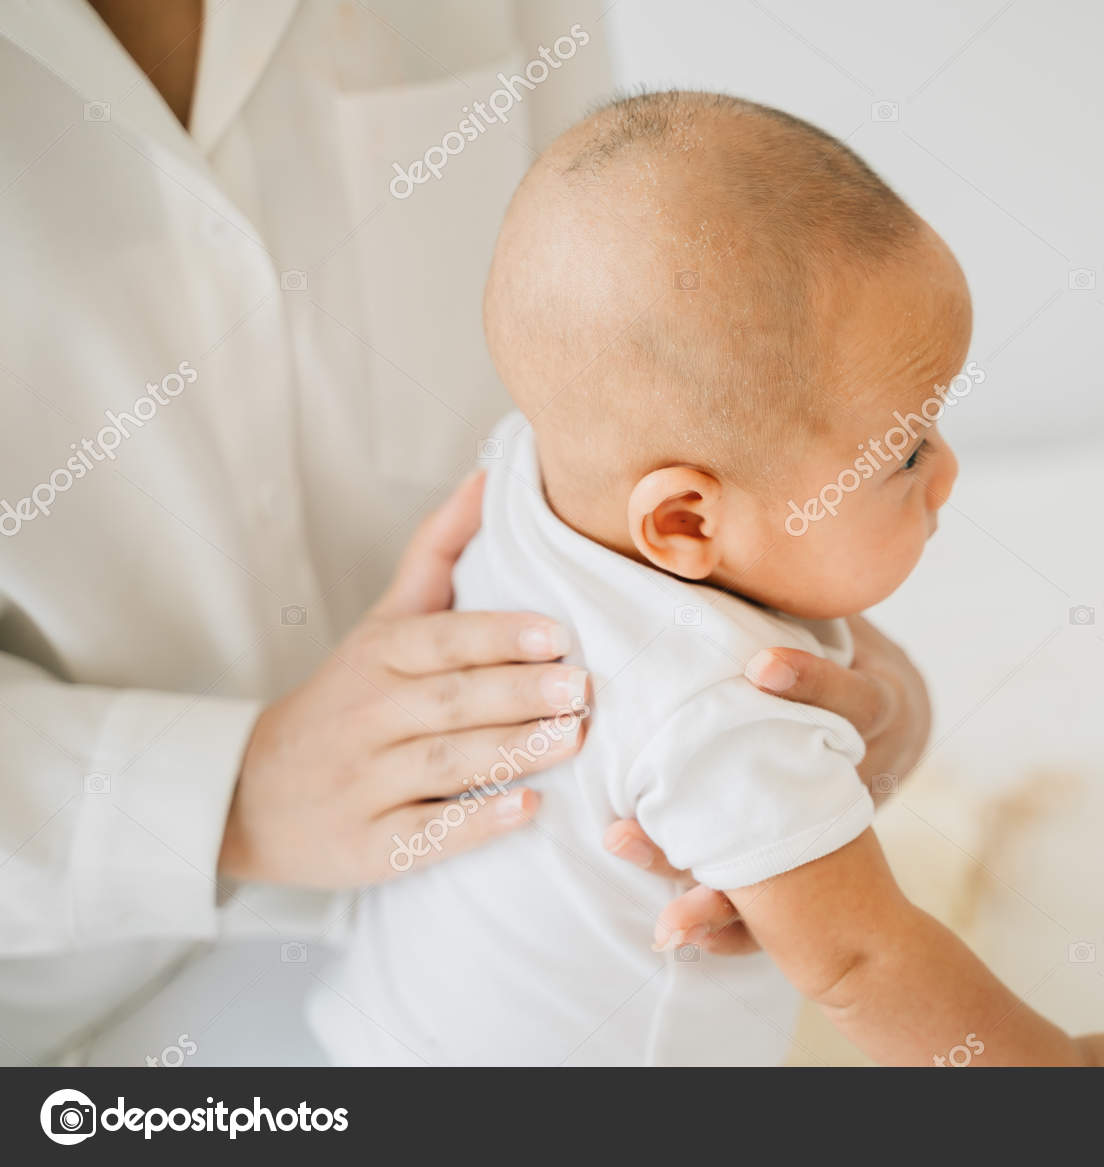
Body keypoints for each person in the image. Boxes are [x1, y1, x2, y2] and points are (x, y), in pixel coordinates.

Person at [0, 0, 929, 1064]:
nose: (948, 474)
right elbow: (881, 974)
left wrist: (829, 663)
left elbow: (657, 378)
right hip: (65, 994)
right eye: (912, 450)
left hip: (472, 939)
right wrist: (230, 795)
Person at [310, 92, 1104, 1066]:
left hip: (374, 1024)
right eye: (906, 453)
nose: (949, 472)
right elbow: (863, 961)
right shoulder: (722, 715)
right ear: (685, 523)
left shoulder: (527, 468)